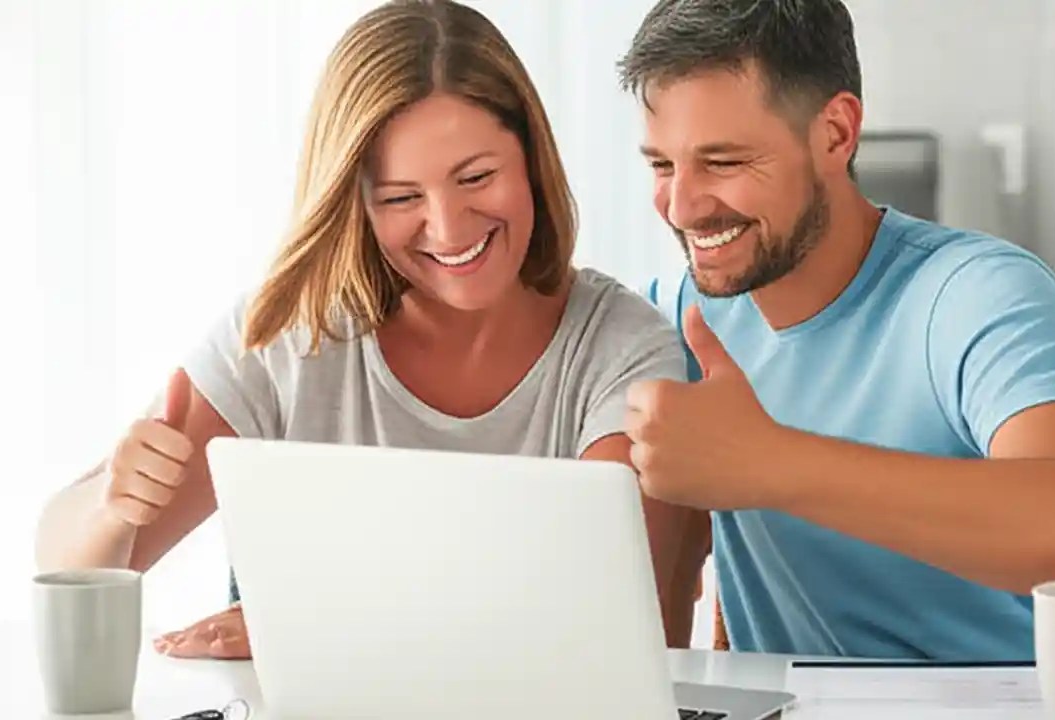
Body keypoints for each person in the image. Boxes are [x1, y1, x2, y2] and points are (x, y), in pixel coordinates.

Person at [34, 0, 704, 659]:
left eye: (476, 177)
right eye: (401, 198)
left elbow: (598, 616)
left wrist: (318, 628)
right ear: (354, 202)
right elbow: (61, 562)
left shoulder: (622, 349)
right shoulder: (290, 338)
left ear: (532, 158)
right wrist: (113, 508)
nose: (448, 228)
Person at [617, 0, 1055, 661]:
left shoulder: (973, 295)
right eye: (662, 166)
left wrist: (769, 463)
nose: (682, 207)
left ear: (836, 134)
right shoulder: (674, 317)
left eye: (724, 162)